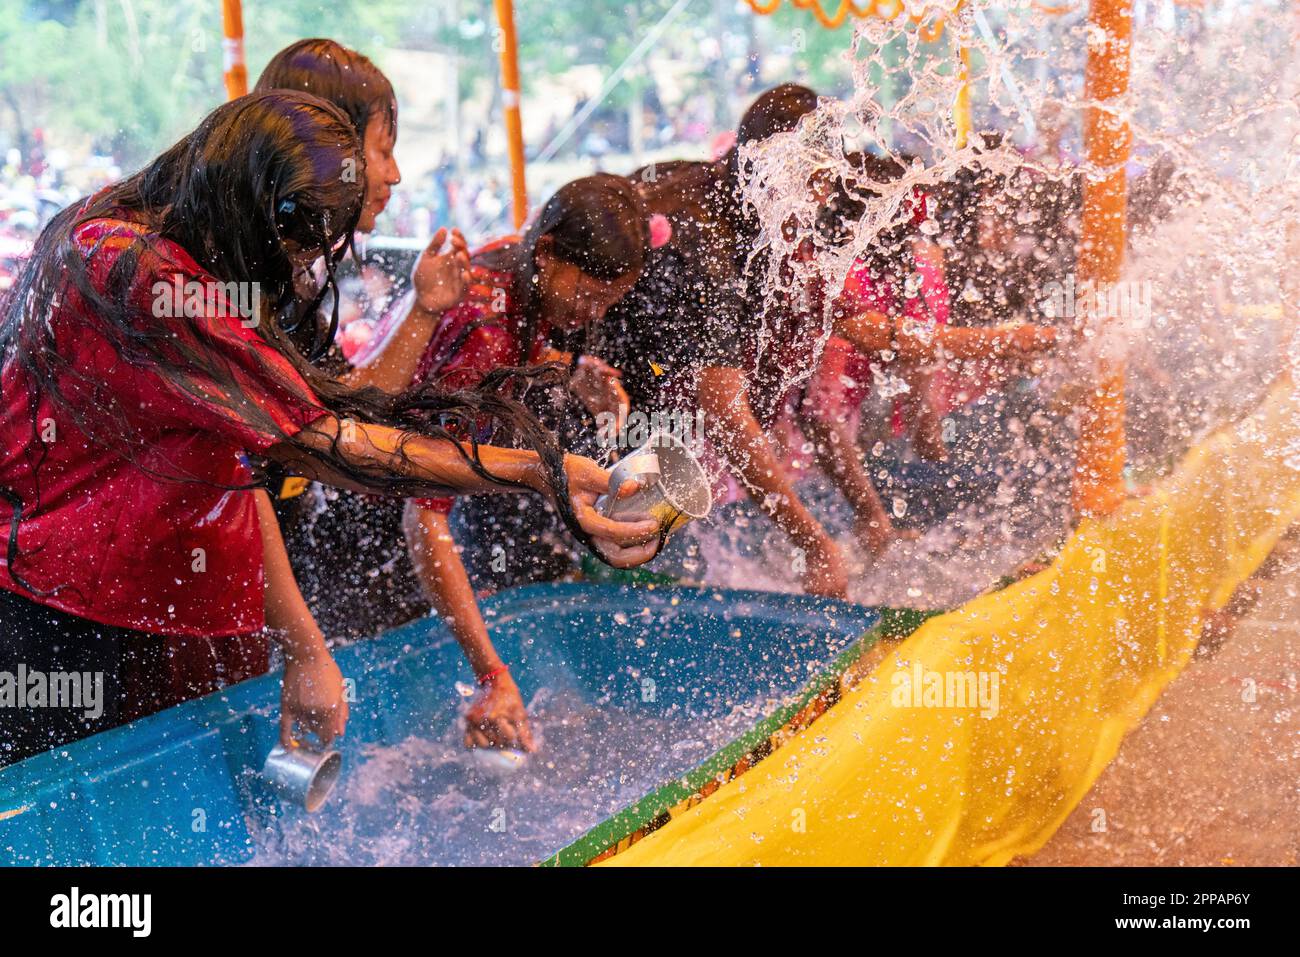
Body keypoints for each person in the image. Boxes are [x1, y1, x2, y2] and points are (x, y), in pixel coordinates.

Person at [0, 92, 659, 767]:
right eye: (296, 243)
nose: (295, 266)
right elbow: (324, 443)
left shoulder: (122, 221)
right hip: (60, 616)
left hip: (116, 590)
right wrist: (534, 471)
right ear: (254, 207)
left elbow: (293, 432)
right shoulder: (145, 276)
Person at [597, 85, 1055, 597]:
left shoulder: (768, 225)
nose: (818, 197)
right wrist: (814, 544)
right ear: (773, 162)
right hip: (604, 421)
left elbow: (872, 332)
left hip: (656, 430)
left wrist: (997, 342)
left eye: (825, 180)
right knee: (642, 582)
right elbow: (726, 415)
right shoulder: (700, 239)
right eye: (814, 178)